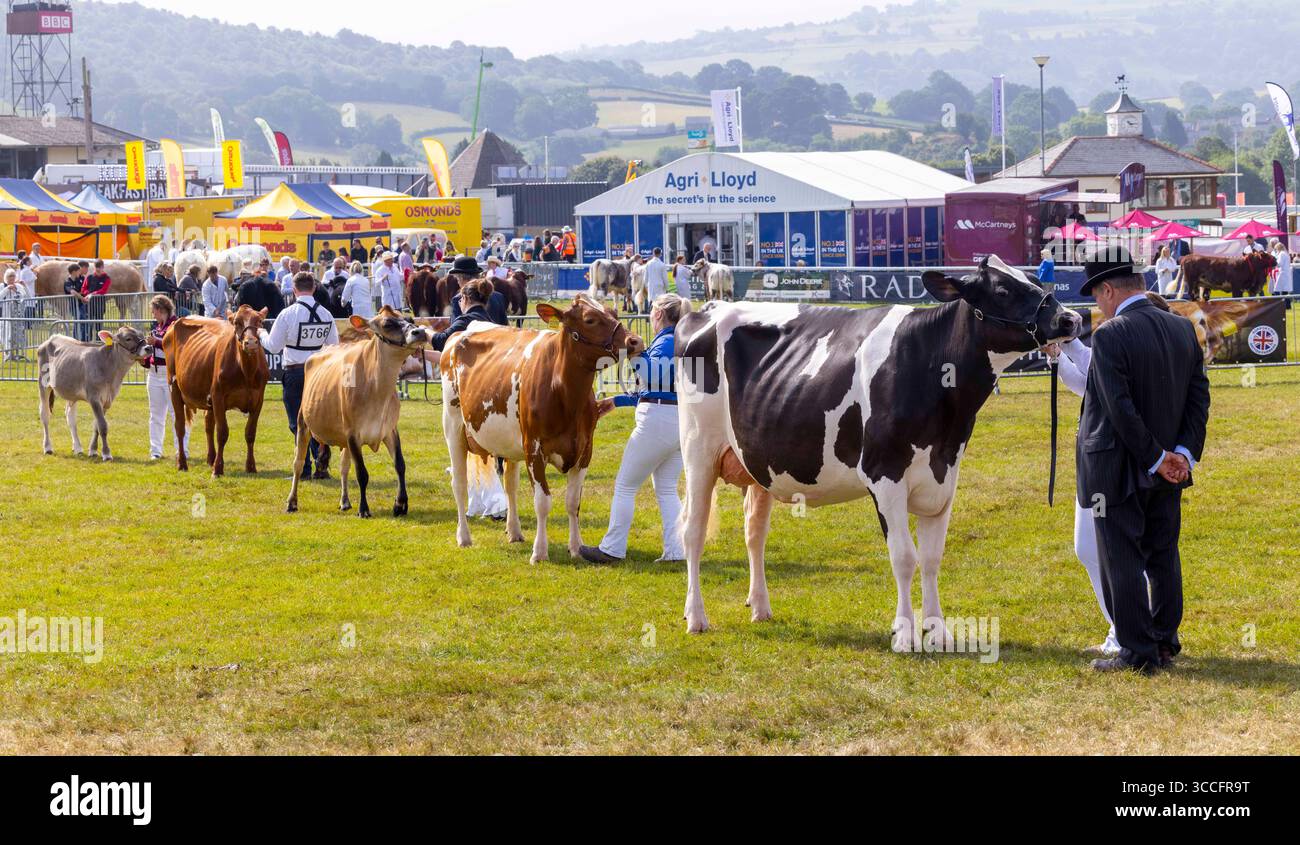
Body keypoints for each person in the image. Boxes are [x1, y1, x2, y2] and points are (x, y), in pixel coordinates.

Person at [1077, 245, 1210, 675]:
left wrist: (1156, 458)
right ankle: (1165, 642)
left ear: (1109, 289)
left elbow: (1119, 407)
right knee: (1163, 554)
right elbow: (1198, 398)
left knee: (1122, 556)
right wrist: (1183, 454)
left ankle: (1137, 651)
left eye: (1097, 295)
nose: (1098, 304)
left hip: (1117, 465)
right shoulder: (1181, 328)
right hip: (1169, 464)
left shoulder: (1111, 334)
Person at [579, 293, 692, 564]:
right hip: (678, 420)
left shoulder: (666, 341)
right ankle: (677, 550)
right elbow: (660, 387)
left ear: (659, 314)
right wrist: (617, 401)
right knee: (666, 488)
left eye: (652, 311)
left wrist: (637, 353)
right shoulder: (681, 340)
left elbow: (651, 377)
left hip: (657, 420)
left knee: (625, 486)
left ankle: (612, 548)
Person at [262, 271, 339, 480]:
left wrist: (261, 334)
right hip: (320, 374)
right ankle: (320, 467)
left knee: (297, 423)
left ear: (294, 290)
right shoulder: (326, 314)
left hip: (295, 372)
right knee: (317, 421)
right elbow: (334, 347)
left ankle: (303, 469)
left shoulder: (287, 314)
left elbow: (273, 346)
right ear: (314, 288)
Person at [141, 294, 189, 461]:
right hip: (154, 374)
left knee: (176, 413)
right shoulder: (157, 327)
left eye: (153, 311)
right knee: (155, 414)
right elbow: (152, 354)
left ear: (161, 310)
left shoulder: (176, 325)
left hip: (171, 374)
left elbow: (175, 347)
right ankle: (155, 451)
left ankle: (182, 449)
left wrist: (157, 342)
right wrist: (144, 359)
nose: (152, 314)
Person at [1, 268, 27, 361]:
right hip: (6, 314)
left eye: (13, 276)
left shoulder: (18, 286)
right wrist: (7, 289)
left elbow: (25, 296)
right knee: (7, 334)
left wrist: (16, 290)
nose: (12, 278)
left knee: (18, 334)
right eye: (9, 276)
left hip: (18, 314)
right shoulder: (2, 286)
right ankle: (7, 353)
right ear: (6, 278)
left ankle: (17, 353)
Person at [82, 259, 112, 338]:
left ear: (103, 267)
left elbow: (103, 290)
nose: (98, 269)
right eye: (96, 267)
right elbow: (83, 289)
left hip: (100, 305)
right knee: (89, 324)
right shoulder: (89, 277)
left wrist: (93, 294)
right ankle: (88, 340)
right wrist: (87, 294)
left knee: (99, 325)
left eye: (100, 267)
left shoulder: (107, 278)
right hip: (89, 305)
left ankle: (99, 341)